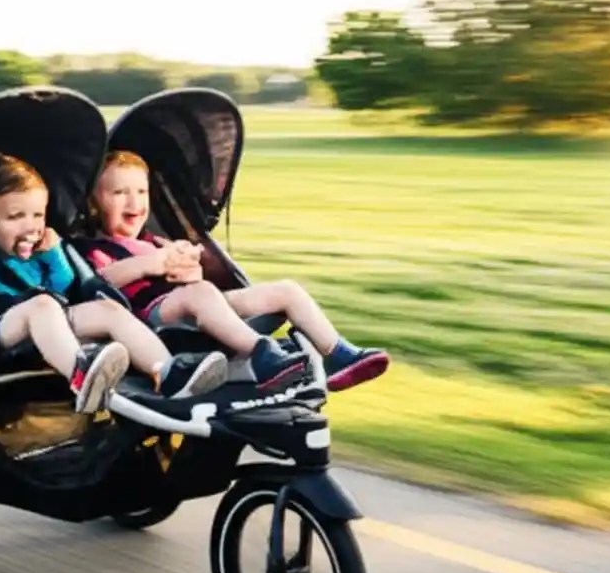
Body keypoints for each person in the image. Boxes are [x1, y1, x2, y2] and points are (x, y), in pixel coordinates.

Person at [81, 150, 391, 393]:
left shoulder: (158, 241)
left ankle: (337, 353)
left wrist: (189, 269)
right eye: (119, 193)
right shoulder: (98, 248)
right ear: (95, 203)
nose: (134, 201)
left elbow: (197, 285)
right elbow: (101, 282)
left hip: (197, 304)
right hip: (151, 317)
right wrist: (155, 263)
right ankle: (262, 353)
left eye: (141, 192)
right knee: (200, 294)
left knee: (286, 290)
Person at [0, 152, 230, 404]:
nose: (30, 225)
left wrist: (54, 253)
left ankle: (167, 372)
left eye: (37, 215)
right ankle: (82, 375)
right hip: (2, 326)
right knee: (43, 305)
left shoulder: (35, 257)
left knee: (107, 310)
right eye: (15, 217)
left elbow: (62, 285)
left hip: (52, 320)